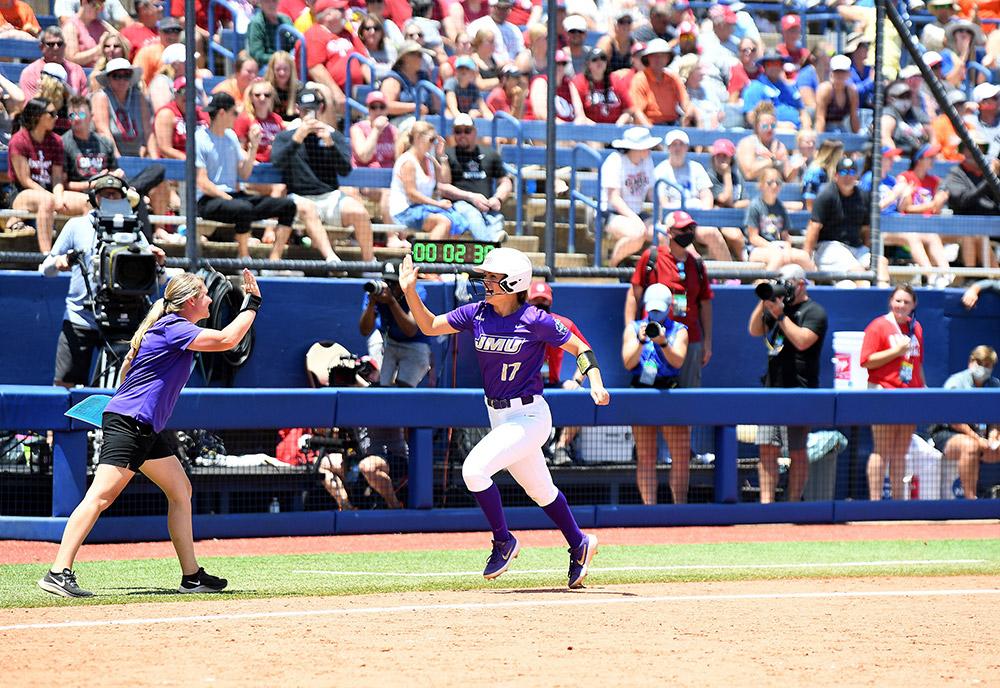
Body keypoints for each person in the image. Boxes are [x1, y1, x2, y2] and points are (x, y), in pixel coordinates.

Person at [37, 268, 260, 598]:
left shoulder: (166, 328)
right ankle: (58, 572)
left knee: (181, 490)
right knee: (100, 496)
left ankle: (192, 577)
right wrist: (252, 303)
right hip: (132, 422)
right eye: (204, 294)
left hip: (143, 424)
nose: (211, 298)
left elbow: (129, 368)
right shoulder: (174, 327)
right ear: (189, 302)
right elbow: (228, 339)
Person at [398, 248, 609, 588]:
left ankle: (503, 541)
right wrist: (409, 291)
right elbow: (430, 325)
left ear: (513, 282)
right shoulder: (478, 313)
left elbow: (579, 348)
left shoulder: (535, 319)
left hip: (529, 415)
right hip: (499, 415)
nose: (486, 282)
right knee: (541, 491)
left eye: (493, 278)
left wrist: (595, 383)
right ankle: (580, 543)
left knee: (473, 470)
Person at [39, 175, 166, 388]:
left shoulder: (135, 229)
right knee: (64, 386)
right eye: (104, 195)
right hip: (80, 318)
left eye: (115, 195)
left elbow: (160, 278)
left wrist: (159, 263)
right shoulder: (76, 225)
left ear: (124, 199)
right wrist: (59, 262)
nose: (110, 198)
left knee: (126, 386)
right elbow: (45, 270)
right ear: (93, 198)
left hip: (125, 319)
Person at [747, 264, 827, 504]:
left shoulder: (815, 312)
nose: (786, 289)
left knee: (797, 451)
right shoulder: (777, 308)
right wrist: (765, 299)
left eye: (788, 284)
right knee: (767, 449)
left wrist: (781, 316)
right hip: (773, 389)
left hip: (800, 390)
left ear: (801, 284)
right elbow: (754, 330)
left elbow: (803, 341)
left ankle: (793, 505)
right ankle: (766, 505)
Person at [195, 92, 299, 260]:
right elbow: (202, 182)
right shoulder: (199, 138)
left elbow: (244, 173)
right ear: (222, 113)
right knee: (243, 208)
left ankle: (274, 260)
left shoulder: (231, 137)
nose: (238, 117)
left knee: (288, 206)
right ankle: (244, 258)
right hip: (207, 201)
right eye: (234, 113)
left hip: (234, 198)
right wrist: (229, 199)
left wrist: (253, 148)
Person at [267, 88, 364, 262]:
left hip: (330, 197)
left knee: (360, 212)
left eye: (312, 109)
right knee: (307, 208)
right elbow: (277, 162)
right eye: (305, 110)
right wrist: (298, 138)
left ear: (320, 109)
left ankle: (369, 264)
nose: (308, 114)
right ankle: (332, 260)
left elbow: (345, 170)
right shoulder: (286, 135)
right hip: (298, 197)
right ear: (297, 109)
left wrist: (330, 144)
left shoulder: (332, 135)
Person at [622, 283, 689, 505]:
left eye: (660, 310)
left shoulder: (679, 330)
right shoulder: (633, 328)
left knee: (679, 456)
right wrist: (642, 341)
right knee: (646, 456)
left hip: (669, 391)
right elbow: (628, 362)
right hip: (641, 391)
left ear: (669, 307)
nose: (655, 315)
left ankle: (680, 508)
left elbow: (678, 360)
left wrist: (663, 343)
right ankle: (649, 510)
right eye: (652, 310)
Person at [860, 284, 924, 501]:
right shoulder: (879, 326)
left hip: (910, 396)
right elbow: (866, 361)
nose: (901, 305)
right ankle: (875, 502)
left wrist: (923, 389)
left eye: (906, 302)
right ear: (890, 302)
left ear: (914, 304)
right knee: (882, 450)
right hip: (884, 393)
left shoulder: (916, 328)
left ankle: (897, 503)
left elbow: (917, 363)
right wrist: (896, 351)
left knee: (900, 453)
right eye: (898, 301)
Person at [7, 97, 91, 253]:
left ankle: (84, 252)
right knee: (47, 202)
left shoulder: (56, 140)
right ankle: (48, 256)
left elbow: (57, 178)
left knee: (89, 202)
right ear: (38, 116)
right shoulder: (19, 140)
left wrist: (58, 197)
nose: (57, 117)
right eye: (52, 113)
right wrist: (52, 198)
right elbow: (25, 181)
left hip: (49, 193)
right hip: (22, 194)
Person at [525, 281, 589, 467]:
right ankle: (539, 449)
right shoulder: (518, 323)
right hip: (525, 385)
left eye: (543, 301)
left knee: (581, 395)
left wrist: (577, 380)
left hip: (552, 384)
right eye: (535, 301)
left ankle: (560, 448)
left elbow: (585, 352)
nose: (540, 305)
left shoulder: (562, 324)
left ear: (550, 303)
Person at [804, 157, 888, 287]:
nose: (848, 176)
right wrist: (807, 259)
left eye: (852, 172)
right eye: (843, 172)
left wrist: (869, 252)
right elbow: (813, 227)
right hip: (829, 248)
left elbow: (865, 230)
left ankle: (884, 300)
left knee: (881, 262)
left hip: (856, 247)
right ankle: (868, 304)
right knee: (859, 273)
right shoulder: (827, 195)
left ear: (857, 175)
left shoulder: (863, 197)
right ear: (836, 175)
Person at [929, 345, 1000, 498]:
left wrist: (993, 437)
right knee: (970, 446)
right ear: (971, 362)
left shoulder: (995, 385)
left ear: (993, 367)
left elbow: (995, 418)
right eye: (979, 363)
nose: (983, 368)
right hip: (947, 433)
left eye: (987, 365)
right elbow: (954, 420)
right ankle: (971, 501)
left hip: (982, 436)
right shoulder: (956, 383)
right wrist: (978, 439)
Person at [387, 120, 465, 240]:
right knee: (444, 222)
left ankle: (445, 258)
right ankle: (427, 259)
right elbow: (412, 195)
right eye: (431, 139)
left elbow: (445, 180)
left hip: (422, 208)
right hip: (404, 211)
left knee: (457, 222)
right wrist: (438, 204)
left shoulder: (429, 159)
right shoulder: (408, 162)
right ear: (418, 138)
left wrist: (442, 156)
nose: (433, 143)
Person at [359, 259, 431, 388]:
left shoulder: (415, 291)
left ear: (401, 282)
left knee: (405, 388)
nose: (390, 286)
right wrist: (372, 302)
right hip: (387, 339)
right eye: (387, 281)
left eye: (393, 282)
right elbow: (364, 330)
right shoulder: (375, 289)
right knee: (381, 385)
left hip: (414, 342)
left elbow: (410, 330)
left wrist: (391, 302)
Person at [439, 113, 510, 243]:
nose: (462, 135)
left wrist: (497, 198)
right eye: (458, 131)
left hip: (486, 204)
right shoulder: (447, 155)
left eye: (467, 131)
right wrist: (470, 197)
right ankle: (489, 247)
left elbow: (505, 181)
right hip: (459, 203)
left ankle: (492, 242)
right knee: (472, 214)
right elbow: (442, 187)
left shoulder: (490, 154)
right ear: (453, 132)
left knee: (496, 217)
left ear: (475, 132)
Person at [599, 126, 659, 268]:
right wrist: (636, 220)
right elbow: (614, 198)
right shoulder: (615, 161)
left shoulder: (647, 160)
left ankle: (651, 269)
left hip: (636, 212)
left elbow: (652, 193)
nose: (650, 148)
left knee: (663, 233)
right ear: (635, 148)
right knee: (637, 233)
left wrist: (666, 207)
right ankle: (611, 267)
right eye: (647, 145)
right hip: (609, 213)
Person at [744, 168, 814, 273]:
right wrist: (771, 246)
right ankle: (764, 285)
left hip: (778, 247)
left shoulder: (780, 207)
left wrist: (787, 246)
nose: (774, 186)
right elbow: (753, 237)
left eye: (778, 182)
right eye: (770, 182)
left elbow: (785, 235)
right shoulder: (755, 205)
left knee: (803, 256)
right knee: (777, 257)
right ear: (761, 186)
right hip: (755, 249)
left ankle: (811, 288)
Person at [348, 90, 397, 229]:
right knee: (388, 192)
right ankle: (392, 236)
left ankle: (404, 236)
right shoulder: (358, 128)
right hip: (367, 181)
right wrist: (376, 131)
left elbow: (398, 160)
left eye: (382, 107)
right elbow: (364, 156)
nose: (378, 111)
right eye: (373, 107)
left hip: (388, 179)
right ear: (368, 109)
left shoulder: (393, 130)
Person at [741, 48, 810, 131]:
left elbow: (802, 111)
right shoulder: (755, 88)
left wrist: (806, 128)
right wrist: (777, 125)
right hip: (773, 131)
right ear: (764, 66)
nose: (774, 67)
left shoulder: (789, 87)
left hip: (799, 131)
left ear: (782, 66)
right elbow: (751, 118)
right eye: (770, 64)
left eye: (777, 63)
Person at [629, 38, 690, 127]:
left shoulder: (673, 79)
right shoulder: (639, 79)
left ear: (668, 58)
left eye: (662, 56)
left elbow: (685, 103)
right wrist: (652, 131)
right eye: (654, 56)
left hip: (673, 125)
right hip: (649, 126)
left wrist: (691, 112)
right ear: (648, 58)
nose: (658, 60)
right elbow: (637, 112)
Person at [19, 26, 90, 100]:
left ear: (65, 46)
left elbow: (84, 103)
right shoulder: (30, 72)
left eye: (59, 44)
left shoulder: (77, 71)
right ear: (41, 46)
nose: (56, 48)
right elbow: (31, 105)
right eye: (51, 44)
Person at [736, 102, 796, 183]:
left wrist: (796, 168)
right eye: (765, 126)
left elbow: (788, 178)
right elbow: (749, 173)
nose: (769, 129)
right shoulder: (748, 143)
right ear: (757, 126)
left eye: (773, 125)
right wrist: (772, 159)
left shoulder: (780, 146)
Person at [814, 55, 859, 134]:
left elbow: (854, 117)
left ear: (848, 73)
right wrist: (820, 141)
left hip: (841, 130)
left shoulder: (852, 92)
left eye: (843, 72)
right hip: (826, 130)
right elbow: (820, 118)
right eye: (837, 72)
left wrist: (858, 137)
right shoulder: (825, 89)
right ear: (831, 73)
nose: (840, 75)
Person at [62, 0, 110, 68]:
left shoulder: (100, 24)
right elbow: (71, 60)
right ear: (84, 2)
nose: (99, 10)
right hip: (81, 74)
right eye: (96, 6)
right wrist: (99, 49)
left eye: (101, 7)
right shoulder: (71, 26)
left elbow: (124, 41)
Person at [246, 0, 293, 68]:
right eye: (267, 1)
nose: (271, 4)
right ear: (261, 3)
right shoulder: (257, 23)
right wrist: (279, 59)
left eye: (274, 1)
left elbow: (296, 43)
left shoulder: (286, 20)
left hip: (287, 63)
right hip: (266, 66)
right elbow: (256, 55)